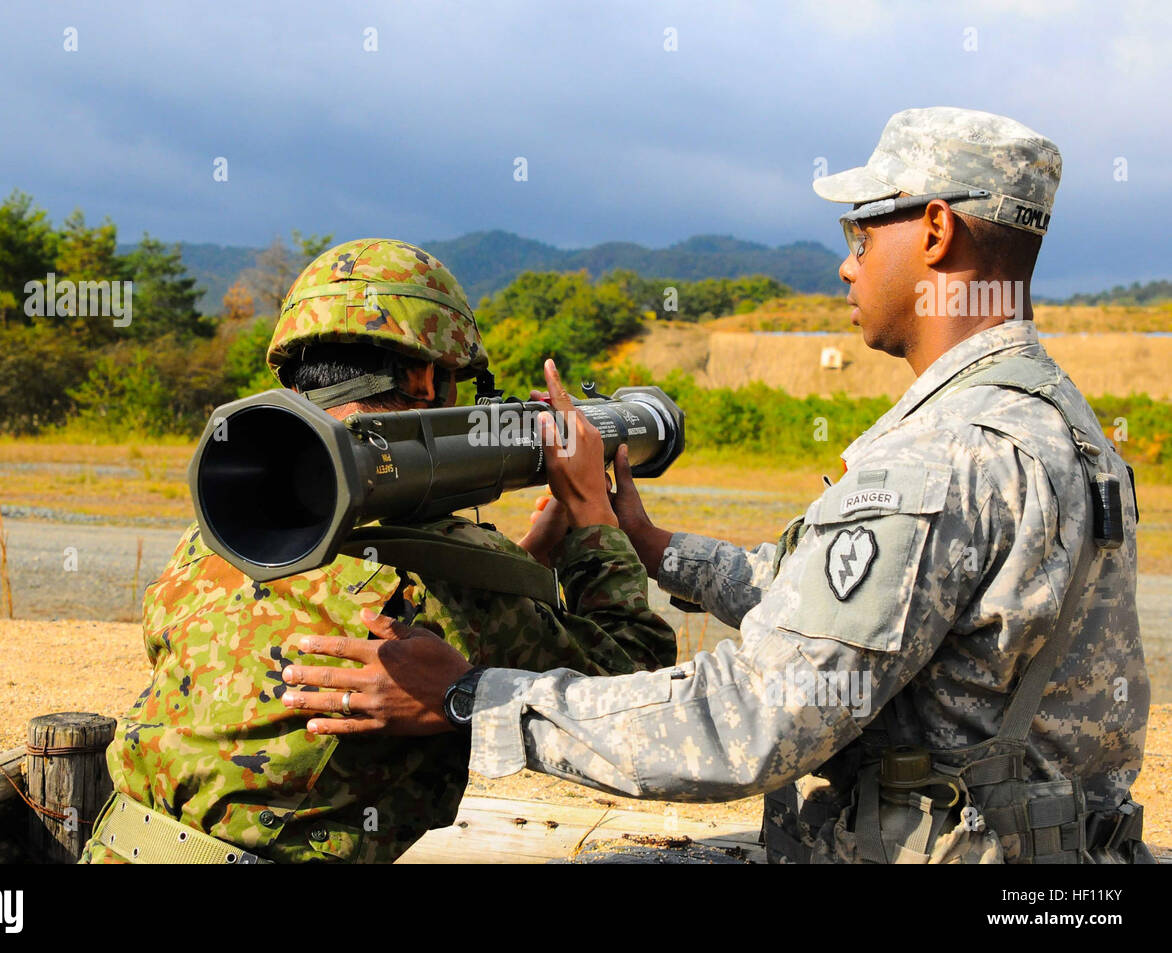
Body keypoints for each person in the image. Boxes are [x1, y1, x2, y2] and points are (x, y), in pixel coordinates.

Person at [282, 110, 1155, 864]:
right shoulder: (1054, 419)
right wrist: (655, 547)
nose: (847, 266)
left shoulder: (942, 456)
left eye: (860, 234)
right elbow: (857, 607)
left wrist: (470, 696)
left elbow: (750, 719)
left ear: (934, 231)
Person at [79, 238, 676, 864]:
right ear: (423, 378)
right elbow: (634, 692)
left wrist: (521, 564)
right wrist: (592, 517)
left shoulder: (224, 528)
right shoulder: (453, 583)